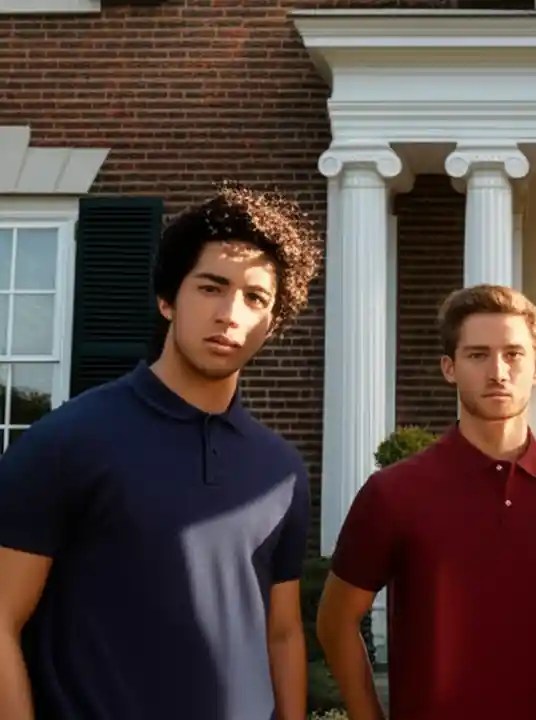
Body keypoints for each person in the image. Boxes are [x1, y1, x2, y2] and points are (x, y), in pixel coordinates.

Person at [0, 186, 322, 720]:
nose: (230, 313)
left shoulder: (281, 471)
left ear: (272, 322)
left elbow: (283, 635)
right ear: (168, 299)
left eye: (255, 298)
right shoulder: (66, 443)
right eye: (211, 287)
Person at [316, 284, 536, 720]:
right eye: (477, 355)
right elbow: (335, 622)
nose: (498, 371)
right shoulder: (394, 493)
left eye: (513, 354)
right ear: (449, 368)